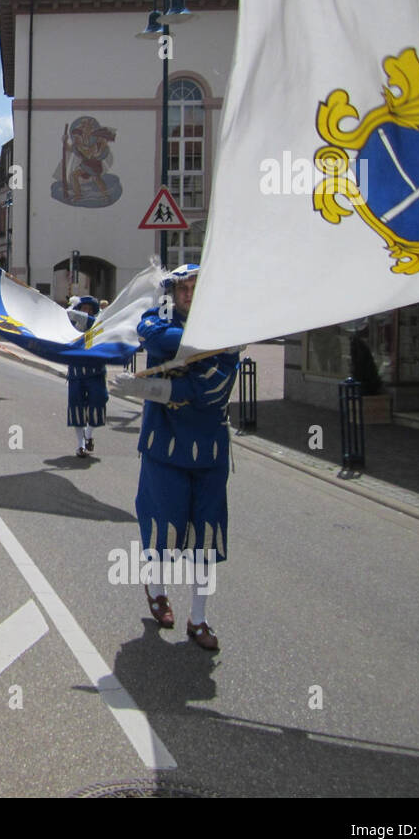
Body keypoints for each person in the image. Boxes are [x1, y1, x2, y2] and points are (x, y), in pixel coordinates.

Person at [111, 264, 239, 652]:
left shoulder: (226, 328)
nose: (188, 295)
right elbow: (154, 335)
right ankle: (156, 588)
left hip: (209, 452)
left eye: (196, 288)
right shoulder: (166, 322)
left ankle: (198, 618)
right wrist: (203, 345)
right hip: (164, 448)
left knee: (207, 537)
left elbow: (213, 388)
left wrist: (162, 387)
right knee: (163, 529)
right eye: (183, 288)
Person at [64, 296, 108, 456]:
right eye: (84, 309)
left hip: (95, 372)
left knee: (99, 401)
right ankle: (80, 444)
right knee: (77, 407)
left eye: (90, 309)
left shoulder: (97, 323)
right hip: (76, 373)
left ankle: (88, 435)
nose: (87, 312)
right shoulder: (72, 325)